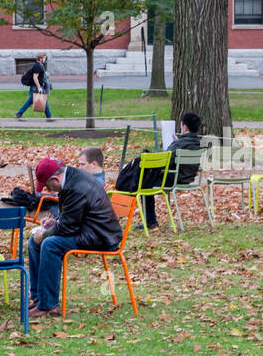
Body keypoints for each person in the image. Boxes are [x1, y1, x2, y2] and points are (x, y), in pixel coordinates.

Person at [27, 155, 121, 318]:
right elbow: (71, 216)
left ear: (55, 179)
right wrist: (54, 222)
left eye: (48, 186)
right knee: (34, 242)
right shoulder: (71, 178)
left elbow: (68, 227)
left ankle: (48, 305)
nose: (48, 191)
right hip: (88, 229)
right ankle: (39, 297)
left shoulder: (75, 187)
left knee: (50, 244)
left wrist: (46, 232)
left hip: (100, 235)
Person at [115, 111, 203, 228]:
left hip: (172, 179)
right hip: (187, 178)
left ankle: (150, 221)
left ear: (185, 127)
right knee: (145, 181)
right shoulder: (199, 144)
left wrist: (173, 145)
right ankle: (146, 218)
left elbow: (164, 162)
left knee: (144, 183)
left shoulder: (179, 144)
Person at [15, 53, 53, 120]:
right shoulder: (37, 66)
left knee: (33, 101)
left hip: (36, 87)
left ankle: (19, 114)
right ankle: (49, 117)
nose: (45, 59)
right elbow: (35, 77)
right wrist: (39, 88)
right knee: (42, 100)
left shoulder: (40, 65)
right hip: (36, 87)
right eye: (44, 58)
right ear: (40, 59)